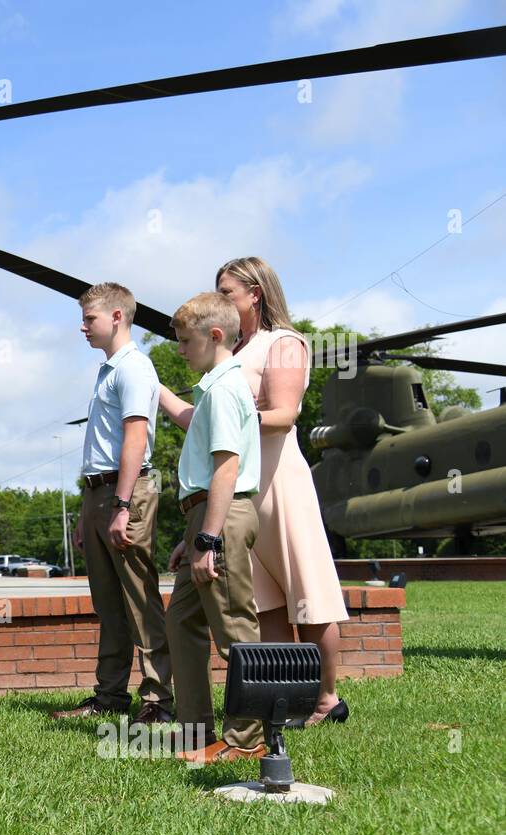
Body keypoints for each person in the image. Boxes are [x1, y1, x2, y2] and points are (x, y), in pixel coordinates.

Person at [159, 257, 349, 728]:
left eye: (228, 290)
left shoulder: (282, 344)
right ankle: (285, 699)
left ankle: (327, 699)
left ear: (255, 293)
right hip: (238, 489)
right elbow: (204, 426)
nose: (221, 297)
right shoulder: (225, 354)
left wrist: (233, 422)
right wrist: (157, 392)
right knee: (265, 602)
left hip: (277, 480)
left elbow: (284, 414)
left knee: (307, 590)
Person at [58, 282, 174, 725]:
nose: (83, 326)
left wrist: (122, 506)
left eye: (90, 319)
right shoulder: (108, 370)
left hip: (124, 494)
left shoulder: (134, 369)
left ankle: (158, 703)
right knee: (109, 605)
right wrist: (86, 510)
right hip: (99, 494)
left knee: (140, 601)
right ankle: (109, 698)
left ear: (117, 318)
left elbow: (136, 438)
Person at [162, 293, 266, 764]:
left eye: (186, 341)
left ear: (215, 336)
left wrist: (207, 538)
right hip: (204, 519)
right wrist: (194, 537)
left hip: (219, 519)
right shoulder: (212, 388)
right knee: (182, 619)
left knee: (233, 629)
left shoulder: (224, 390)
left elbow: (226, 467)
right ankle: (196, 731)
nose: (181, 350)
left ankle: (247, 740)